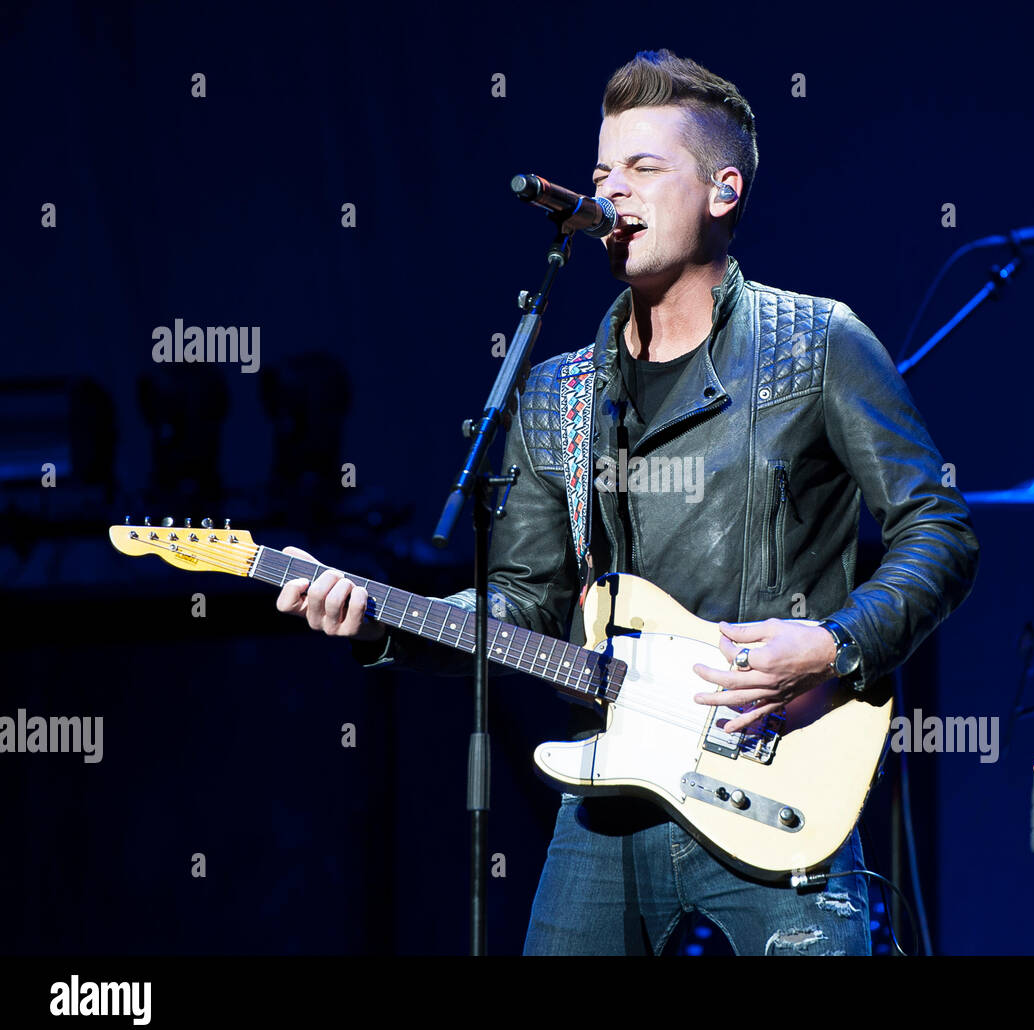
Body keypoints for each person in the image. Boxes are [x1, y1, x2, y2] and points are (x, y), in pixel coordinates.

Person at [276, 49, 979, 955]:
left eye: (645, 168)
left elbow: (941, 530)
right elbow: (522, 605)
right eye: (605, 171)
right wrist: (382, 618)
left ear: (724, 190)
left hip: (776, 775)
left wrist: (835, 645)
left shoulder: (818, 345)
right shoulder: (558, 392)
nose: (613, 191)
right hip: (611, 787)